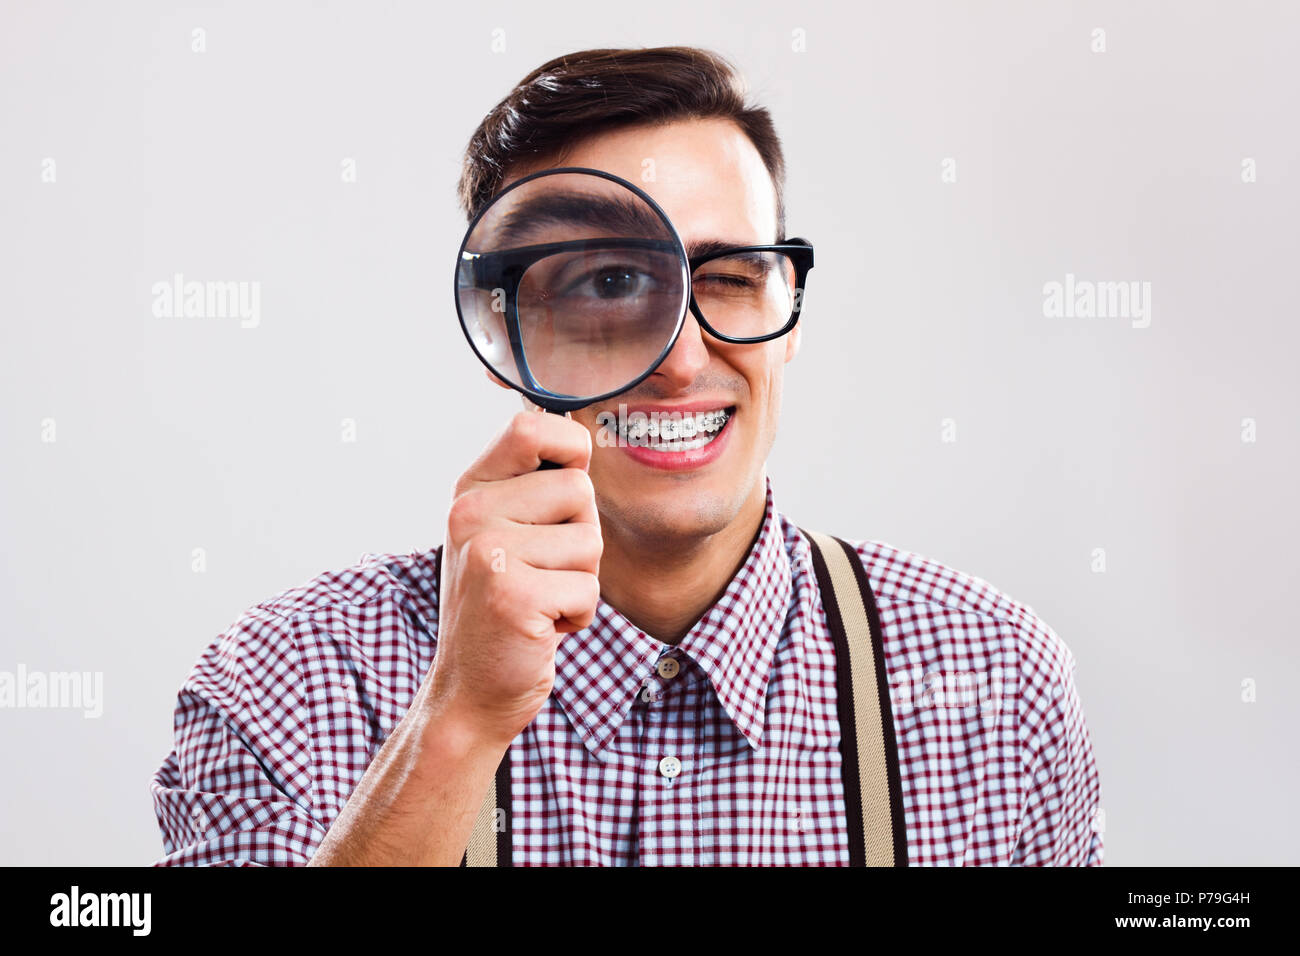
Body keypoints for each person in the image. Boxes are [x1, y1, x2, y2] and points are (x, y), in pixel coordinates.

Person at [150, 45, 1103, 866]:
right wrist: (459, 726)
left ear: (789, 318)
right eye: (611, 282)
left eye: (731, 276)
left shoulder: (998, 683)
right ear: (504, 328)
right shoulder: (286, 684)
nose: (685, 360)